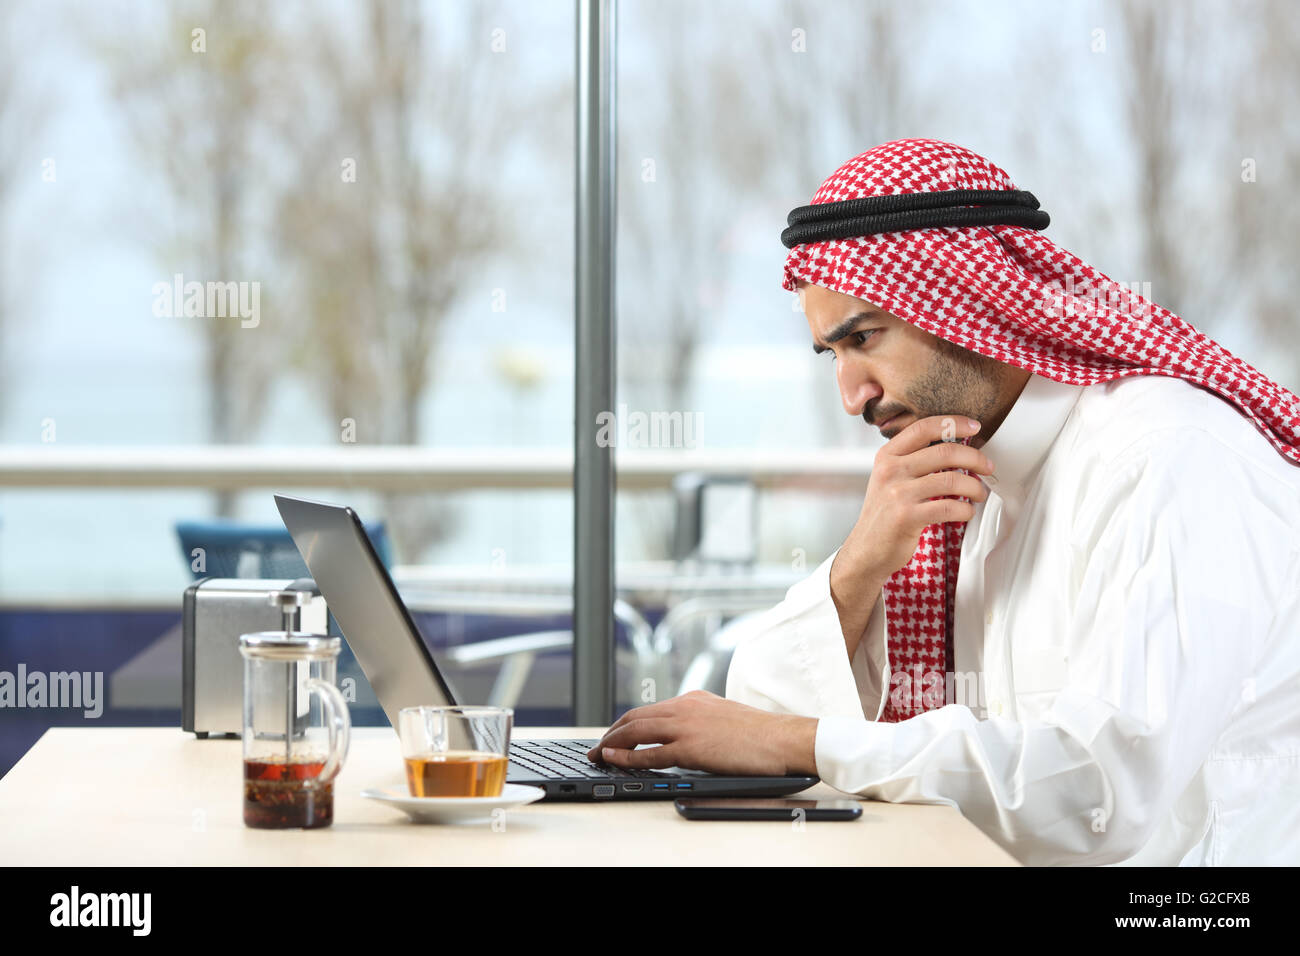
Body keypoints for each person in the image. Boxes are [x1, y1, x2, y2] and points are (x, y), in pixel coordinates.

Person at [589, 139, 1300, 866]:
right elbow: (757, 719)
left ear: (967, 300)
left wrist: (790, 743)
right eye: (834, 356)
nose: (851, 395)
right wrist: (860, 563)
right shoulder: (969, 479)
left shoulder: (1164, 457)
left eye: (863, 339)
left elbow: (1101, 791)